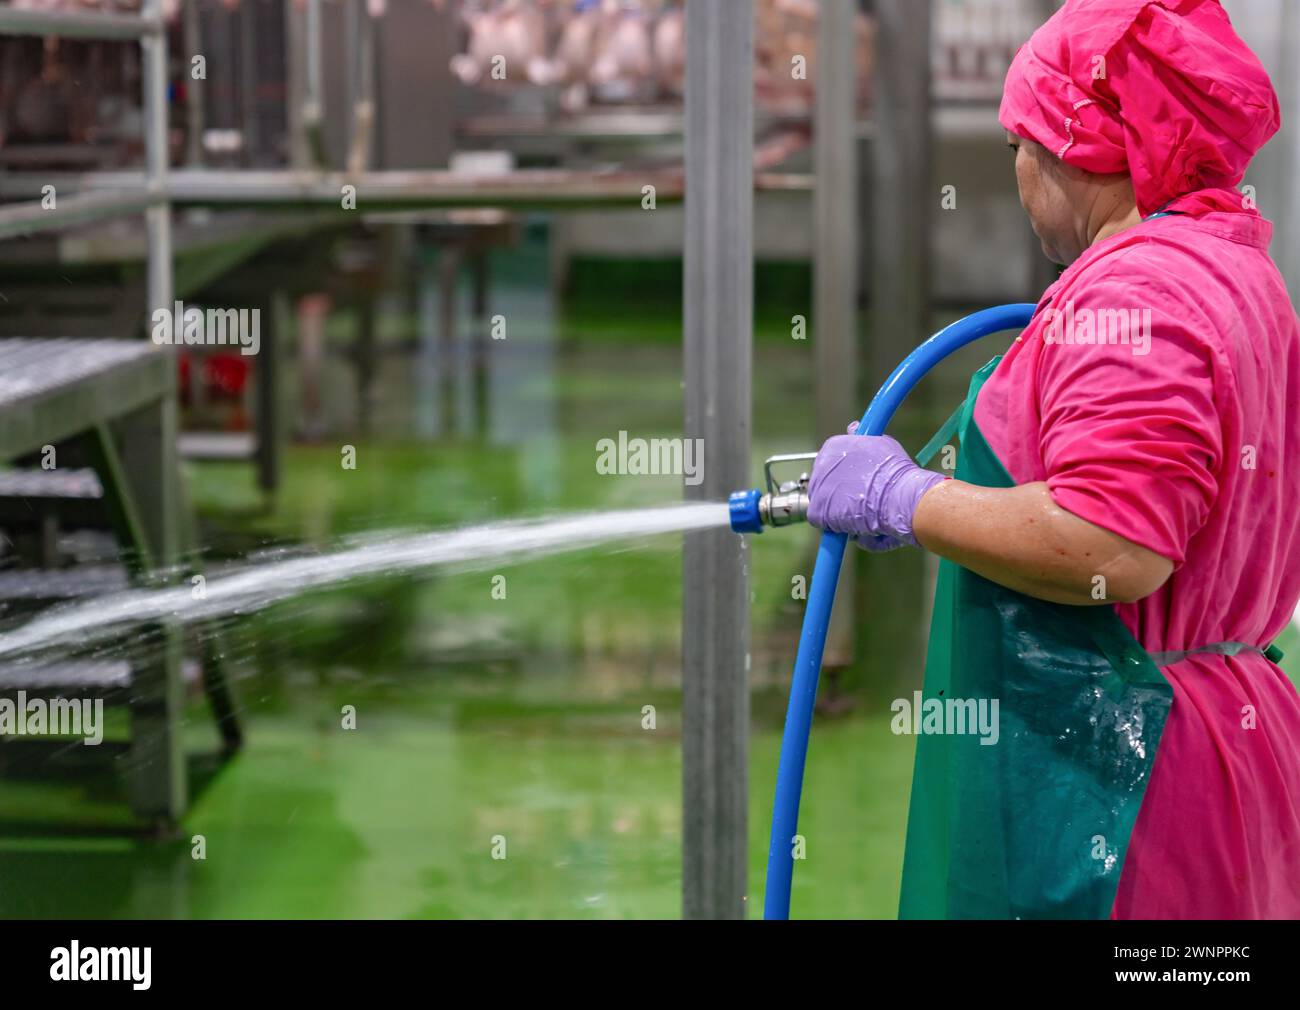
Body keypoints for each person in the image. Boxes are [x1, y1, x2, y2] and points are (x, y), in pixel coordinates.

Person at [807, 0, 1300, 919]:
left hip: (1125, 780)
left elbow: (1114, 543)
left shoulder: (1137, 290)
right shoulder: (1231, 267)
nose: (1019, 173)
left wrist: (906, 500)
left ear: (1077, 150)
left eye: (1019, 146)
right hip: (1222, 744)